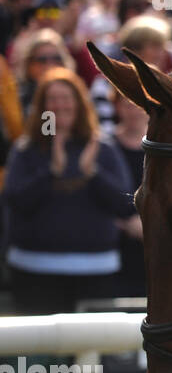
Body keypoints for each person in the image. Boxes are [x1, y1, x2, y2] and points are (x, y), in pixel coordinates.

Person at [2, 68, 134, 314]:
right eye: (52, 99)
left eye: (67, 97)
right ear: (42, 107)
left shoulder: (102, 147)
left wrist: (93, 174)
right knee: (40, 353)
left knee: (92, 351)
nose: (60, 105)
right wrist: (51, 172)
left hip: (95, 273)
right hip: (35, 274)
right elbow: (16, 201)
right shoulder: (27, 149)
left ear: (79, 103)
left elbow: (125, 204)